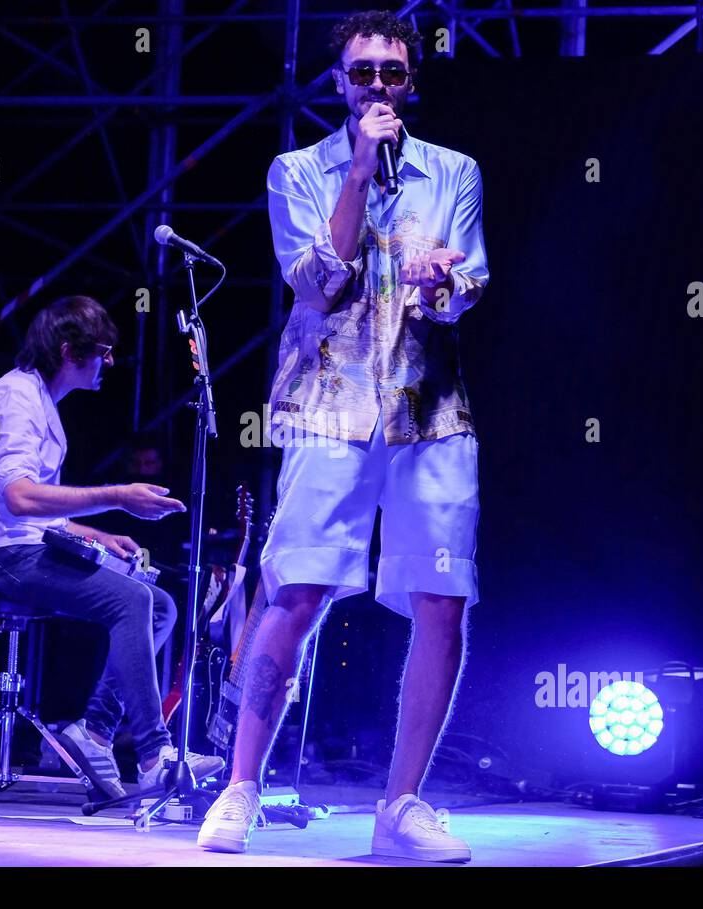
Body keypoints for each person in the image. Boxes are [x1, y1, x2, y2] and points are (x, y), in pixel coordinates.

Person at [197, 10, 488, 861]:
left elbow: (470, 284)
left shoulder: (454, 172)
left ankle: (402, 805)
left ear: (412, 83)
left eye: (391, 75)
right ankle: (240, 785)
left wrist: (444, 283)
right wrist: (359, 172)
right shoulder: (298, 170)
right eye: (362, 73)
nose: (376, 88)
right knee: (295, 593)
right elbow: (317, 283)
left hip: (430, 405)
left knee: (442, 598)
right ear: (338, 83)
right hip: (329, 401)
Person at [0, 295, 223, 798]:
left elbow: (36, 512)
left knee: (159, 605)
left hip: (19, 545)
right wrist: (116, 496)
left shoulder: (42, 403)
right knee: (132, 599)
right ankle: (156, 754)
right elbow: (20, 498)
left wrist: (97, 535)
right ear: (70, 351)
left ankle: (93, 732)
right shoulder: (15, 401)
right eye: (103, 351)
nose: (111, 362)